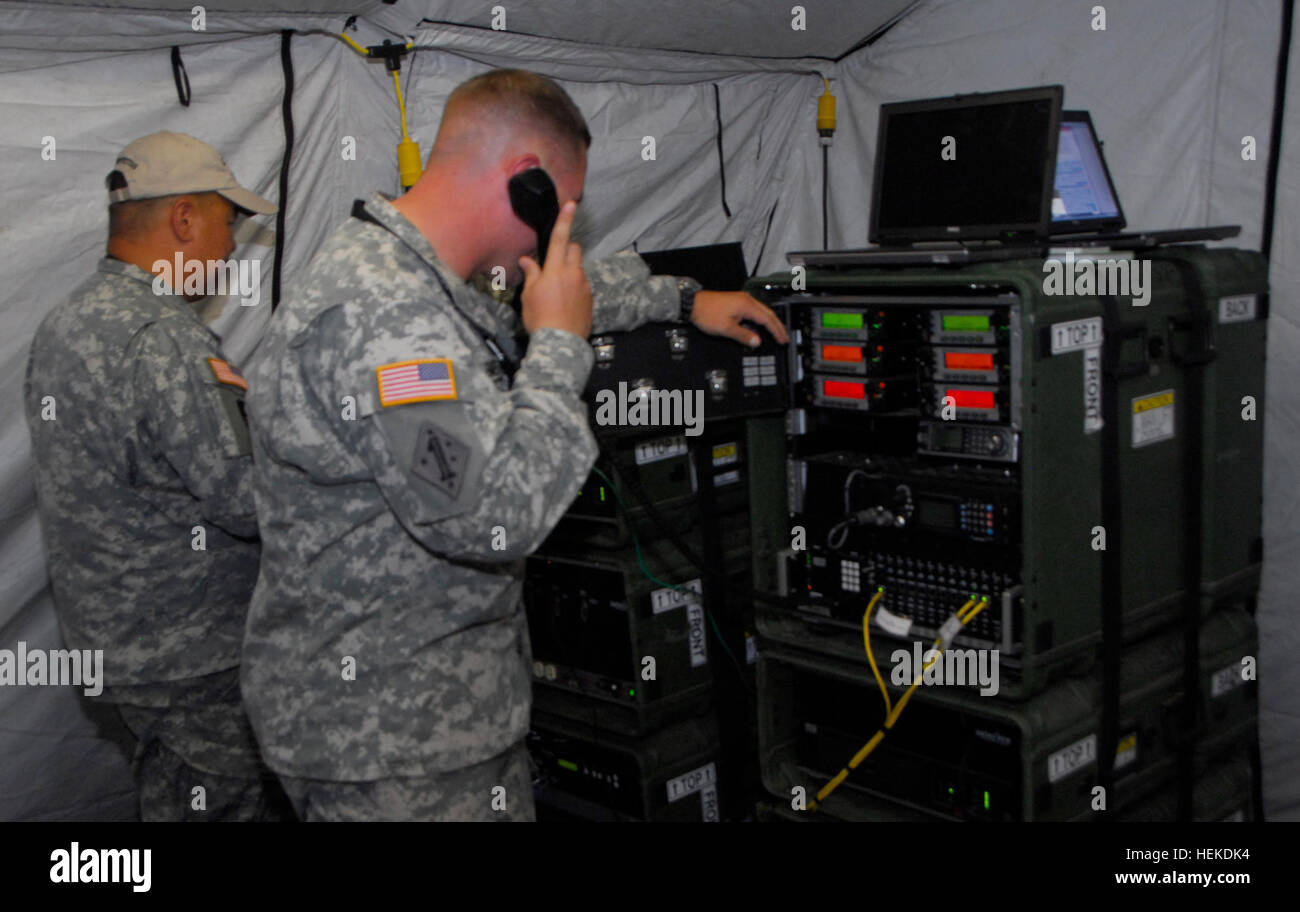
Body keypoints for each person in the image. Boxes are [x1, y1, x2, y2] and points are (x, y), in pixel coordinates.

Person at [241, 68, 787, 821]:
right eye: (560, 211)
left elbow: (527, 299)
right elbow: (491, 514)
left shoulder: (409, 279)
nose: (559, 231)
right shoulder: (389, 319)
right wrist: (560, 349)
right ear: (525, 183)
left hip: (393, 729)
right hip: (397, 749)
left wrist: (686, 298)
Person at [24, 132, 287, 821]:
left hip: (124, 649)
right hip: (193, 659)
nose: (231, 249)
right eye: (227, 225)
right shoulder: (163, 338)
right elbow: (249, 498)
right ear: (183, 220)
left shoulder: (66, 323)